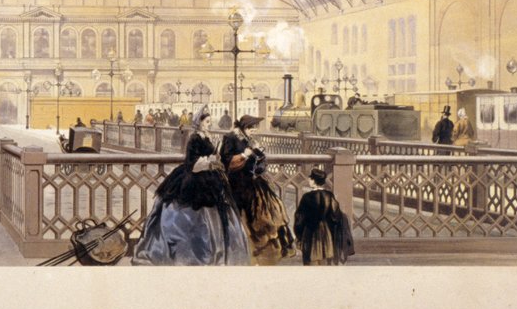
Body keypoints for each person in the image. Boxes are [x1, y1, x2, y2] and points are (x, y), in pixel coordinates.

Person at [133, 110, 250, 265]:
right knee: (192, 215)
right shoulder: (194, 138)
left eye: (210, 121)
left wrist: (215, 160)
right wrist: (209, 161)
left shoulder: (206, 136)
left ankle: (216, 248)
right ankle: (194, 252)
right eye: (207, 122)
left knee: (215, 214)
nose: (210, 124)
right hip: (195, 177)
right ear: (199, 123)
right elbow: (191, 162)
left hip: (209, 176)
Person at [219, 115, 295, 264]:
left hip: (252, 181)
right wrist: (243, 155)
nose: (254, 131)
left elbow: (259, 164)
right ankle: (242, 250)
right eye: (251, 128)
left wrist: (259, 156)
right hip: (237, 182)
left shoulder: (251, 140)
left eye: (255, 128)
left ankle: (264, 252)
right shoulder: (230, 138)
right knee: (243, 215)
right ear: (244, 128)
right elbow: (226, 162)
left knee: (273, 207)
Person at [293, 168, 355, 265]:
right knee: (325, 260)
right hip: (326, 233)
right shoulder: (329, 196)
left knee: (310, 261)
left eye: (310, 178)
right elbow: (336, 215)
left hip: (310, 232)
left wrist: (299, 235)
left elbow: (299, 219)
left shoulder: (307, 197)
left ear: (314, 181)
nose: (309, 180)